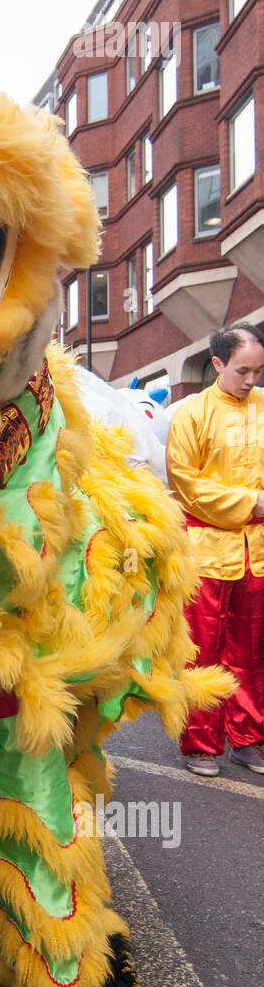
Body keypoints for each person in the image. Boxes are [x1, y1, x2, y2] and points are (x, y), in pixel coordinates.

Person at [166, 323, 264, 776]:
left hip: (256, 553)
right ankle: (201, 744)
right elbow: (185, 483)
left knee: (250, 650)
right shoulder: (191, 413)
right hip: (206, 550)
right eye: (243, 370)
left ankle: (248, 737)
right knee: (204, 649)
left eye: (258, 371)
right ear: (218, 364)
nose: (251, 380)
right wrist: (251, 503)